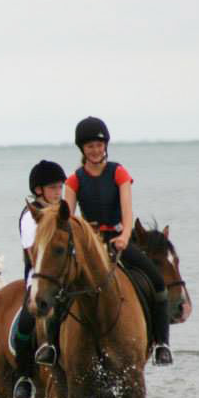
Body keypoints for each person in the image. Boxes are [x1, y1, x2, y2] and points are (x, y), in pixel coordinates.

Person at [48, 116, 172, 366]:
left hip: (118, 239)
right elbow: (69, 219)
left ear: (105, 146)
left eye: (99, 145)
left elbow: (128, 212)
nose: (95, 150)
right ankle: (52, 348)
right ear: (82, 149)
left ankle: (161, 343)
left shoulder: (119, 173)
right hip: (90, 244)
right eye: (90, 146)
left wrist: (125, 237)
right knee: (60, 289)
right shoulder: (73, 180)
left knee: (158, 282)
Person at [11, 160, 66, 398]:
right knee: (25, 322)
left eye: (60, 187)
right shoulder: (29, 217)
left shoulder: (63, 211)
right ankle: (24, 378)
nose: (58, 192)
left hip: (64, 278)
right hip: (38, 278)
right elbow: (33, 252)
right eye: (53, 188)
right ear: (39, 190)